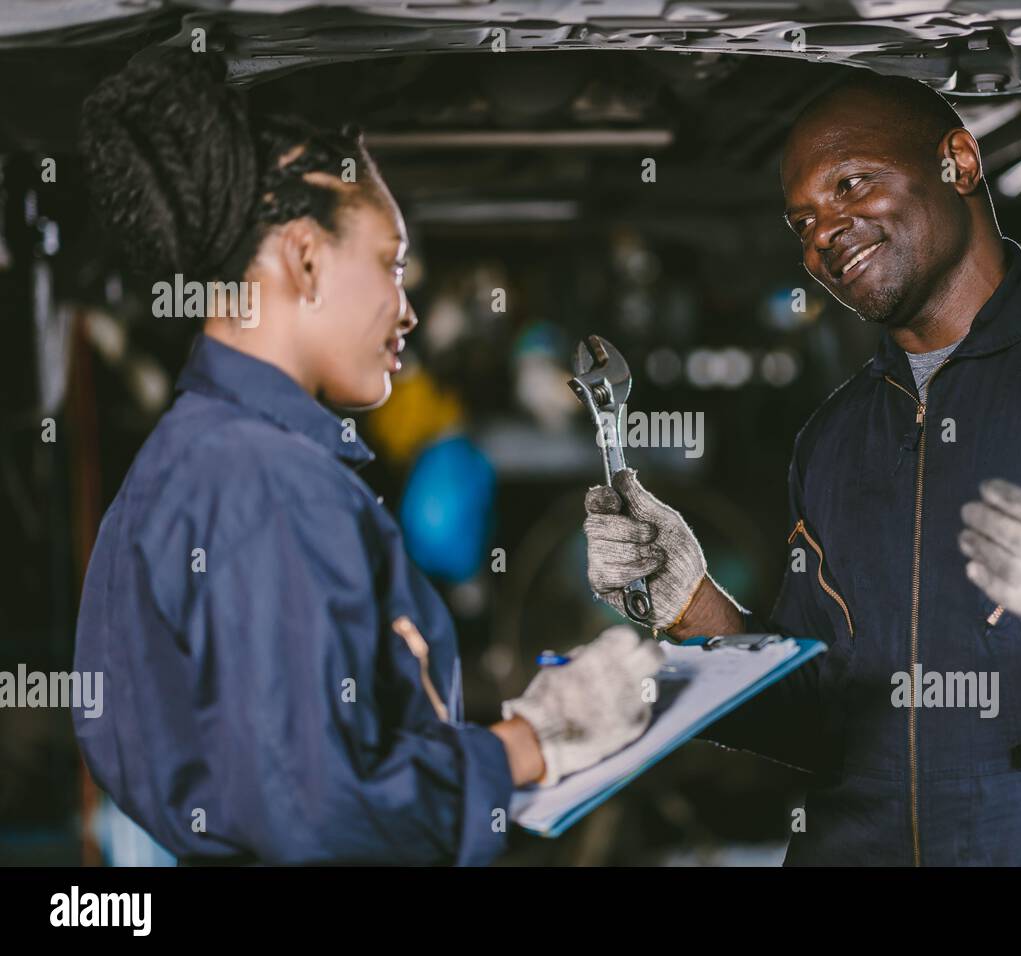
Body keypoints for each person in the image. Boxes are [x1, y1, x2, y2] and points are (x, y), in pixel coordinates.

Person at [583, 72, 1021, 865]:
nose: (825, 232)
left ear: (959, 161)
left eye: (851, 184)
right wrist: (694, 607)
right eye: (803, 221)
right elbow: (819, 724)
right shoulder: (834, 438)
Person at [72, 48, 663, 866]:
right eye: (390, 263)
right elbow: (322, 816)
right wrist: (534, 741)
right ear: (305, 259)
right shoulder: (263, 479)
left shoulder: (202, 456)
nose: (408, 309)